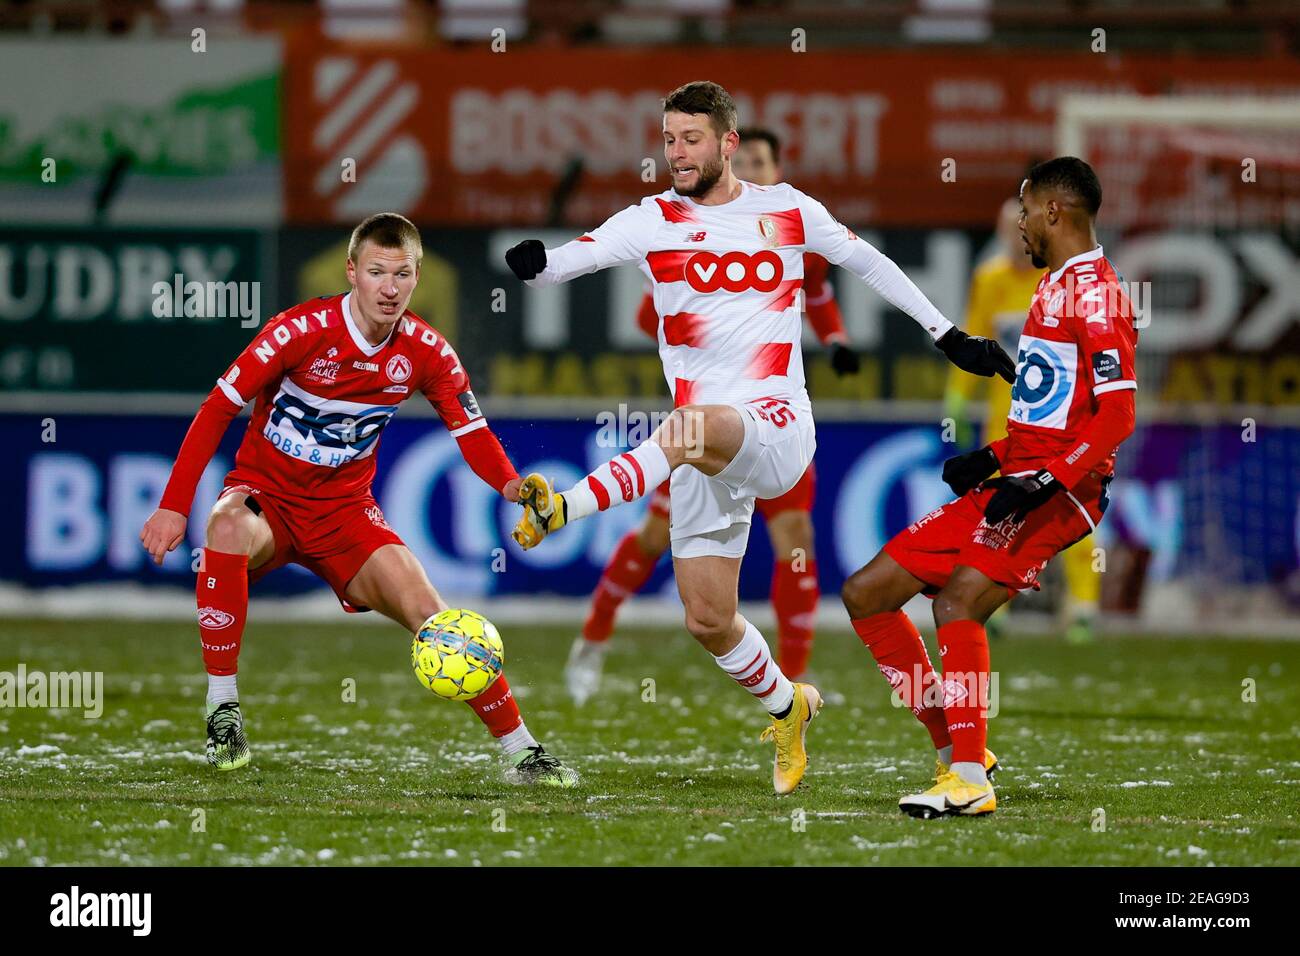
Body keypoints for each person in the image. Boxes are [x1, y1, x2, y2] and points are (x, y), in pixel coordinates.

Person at [505, 81, 1014, 795]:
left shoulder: (788, 210)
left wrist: (948, 334)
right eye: (669, 139)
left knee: (687, 429)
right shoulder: (651, 219)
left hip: (775, 424)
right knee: (707, 618)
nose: (677, 153)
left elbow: (868, 262)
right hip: (704, 447)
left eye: (690, 139)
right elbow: (565, 261)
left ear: (728, 142)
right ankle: (788, 705)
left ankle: (563, 507)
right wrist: (534, 264)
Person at [139, 213, 578, 787]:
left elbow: (471, 432)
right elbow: (218, 408)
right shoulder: (298, 330)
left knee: (438, 621)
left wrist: (513, 486)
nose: (389, 288)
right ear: (351, 272)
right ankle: (222, 709)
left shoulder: (427, 351)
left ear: (417, 276)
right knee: (225, 525)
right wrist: (174, 504)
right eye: (376, 272)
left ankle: (524, 753)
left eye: (402, 274)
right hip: (267, 499)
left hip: (345, 515)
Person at [840, 158, 1138, 818]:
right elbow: (1051, 414)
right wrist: (992, 457)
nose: (1020, 223)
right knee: (867, 593)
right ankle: (957, 749)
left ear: (1053, 212)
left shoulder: (1098, 295)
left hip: (1064, 491)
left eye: (1026, 210)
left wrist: (1044, 481)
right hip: (1021, 476)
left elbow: (1117, 417)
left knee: (960, 602)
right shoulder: (1051, 285)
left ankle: (970, 778)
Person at [565, 124, 862, 704]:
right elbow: (649, 314)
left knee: (796, 538)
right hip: (710, 421)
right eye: (741, 162)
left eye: (759, 162)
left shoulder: (793, 229)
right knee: (654, 536)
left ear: (777, 172)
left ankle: (795, 678)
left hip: (772, 418)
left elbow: (819, 295)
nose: (748, 171)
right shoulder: (693, 238)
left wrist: (837, 340)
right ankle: (594, 637)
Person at [946, 196, 1102, 643]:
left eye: (1022, 223)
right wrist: (957, 398)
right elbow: (974, 338)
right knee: (1000, 511)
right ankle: (997, 604)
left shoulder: (1060, 282)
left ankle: (1083, 606)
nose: (1017, 235)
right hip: (1006, 421)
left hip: (1060, 421)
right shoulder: (989, 279)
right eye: (1009, 227)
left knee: (1068, 504)